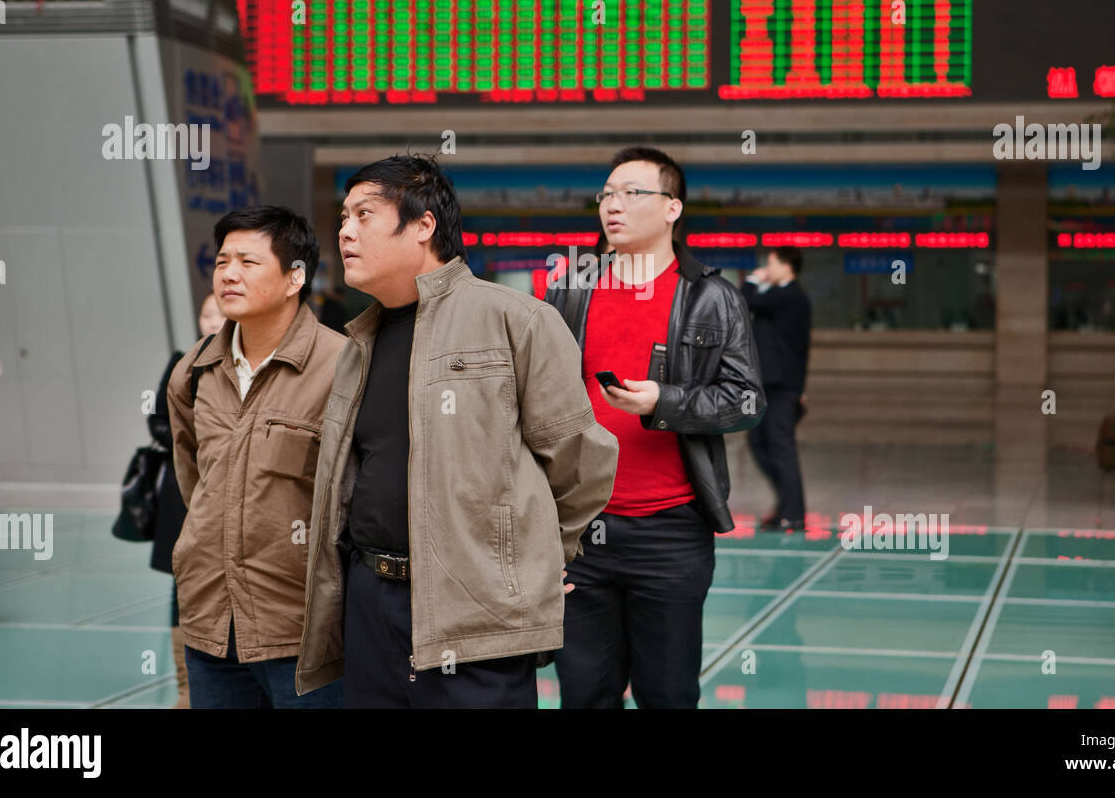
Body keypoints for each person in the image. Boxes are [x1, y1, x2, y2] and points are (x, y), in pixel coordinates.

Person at [296, 153, 618, 708]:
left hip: (473, 611)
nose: (345, 231)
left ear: (424, 225)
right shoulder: (357, 344)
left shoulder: (517, 320)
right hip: (371, 602)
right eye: (343, 217)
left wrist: (532, 560)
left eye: (364, 215)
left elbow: (581, 464)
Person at [545, 145, 767, 708]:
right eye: (606, 195)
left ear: (673, 208)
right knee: (584, 693)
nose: (612, 206)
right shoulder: (571, 289)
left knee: (666, 694)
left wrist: (664, 401)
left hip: (670, 531)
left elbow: (745, 402)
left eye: (632, 194)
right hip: (578, 530)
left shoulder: (712, 298)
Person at [166, 206, 347, 708]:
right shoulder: (195, 369)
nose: (228, 274)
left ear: (295, 278)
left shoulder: (344, 366)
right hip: (210, 625)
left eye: (248, 262)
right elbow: (195, 480)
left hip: (305, 635)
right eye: (223, 261)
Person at [148, 293, 224, 708]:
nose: (211, 320)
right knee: (185, 586)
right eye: (206, 313)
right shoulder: (183, 362)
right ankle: (185, 690)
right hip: (184, 496)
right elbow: (158, 421)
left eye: (219, 313)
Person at [742, 247, 812, 532]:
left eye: (770, 264)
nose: (766, 269)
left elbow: (746, 300)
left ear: (786, 267)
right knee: (759, 442)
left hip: (782, 386)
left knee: (781, 447)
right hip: (768, 384)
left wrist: (752, 280)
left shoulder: (789, 296)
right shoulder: (780, 297)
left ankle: (793, 513)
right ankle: (785, 504)